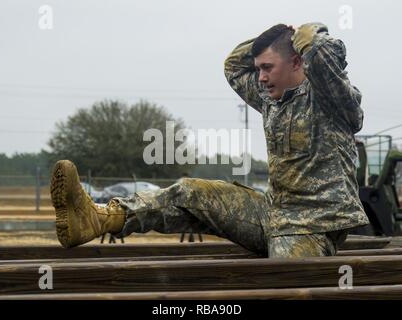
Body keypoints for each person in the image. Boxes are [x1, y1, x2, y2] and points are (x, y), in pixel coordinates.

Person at [50, 22, 369, 258]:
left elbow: (326, 62)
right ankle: (99, 218)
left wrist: (310, 35)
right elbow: (233, 64)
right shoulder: (270, 98)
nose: (260, 76)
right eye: (258, 69)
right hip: (273, 213)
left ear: (298, 62)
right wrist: (282, 32)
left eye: (268, 67)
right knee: (189, 194)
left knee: (284, 279)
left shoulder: (330, 97)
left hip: (313, 226)